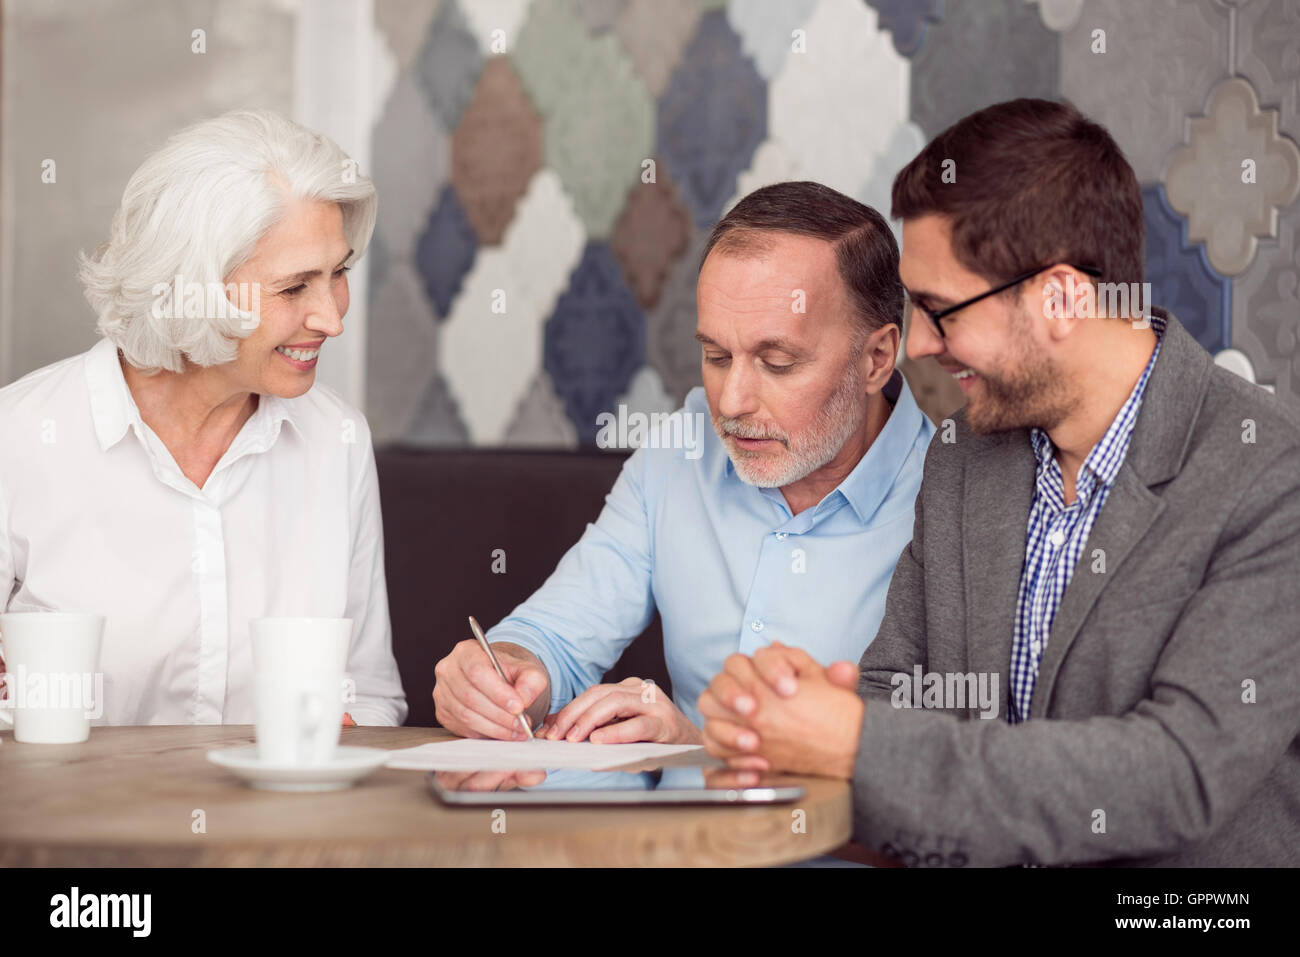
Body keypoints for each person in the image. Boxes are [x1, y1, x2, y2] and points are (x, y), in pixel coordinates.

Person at [699, 98, 1300, 866]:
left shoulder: (1269, 476)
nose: (916, 344)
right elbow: (893, 692)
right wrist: (789, 713)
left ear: (1060, 297)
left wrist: (852, 739)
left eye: (941, 310)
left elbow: (1178, 773)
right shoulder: (960, 456)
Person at [433, 182, 935, 744]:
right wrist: (503, 674)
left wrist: (699, 751)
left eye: (777, 362)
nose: (731, 401)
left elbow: (926, 764)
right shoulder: (681, 450)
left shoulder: (953, 500)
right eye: (716, 356)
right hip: (670, 830)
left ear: (876, 359)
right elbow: (561, 633)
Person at [0, 109, 407, 726]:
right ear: (188, 286)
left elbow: (372, 696)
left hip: (275, 821)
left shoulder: (337, 439)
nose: (332, 317)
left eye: (339, 273)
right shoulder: (21, 437)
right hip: (74, 819)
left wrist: (342, 732)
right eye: (295, 287)